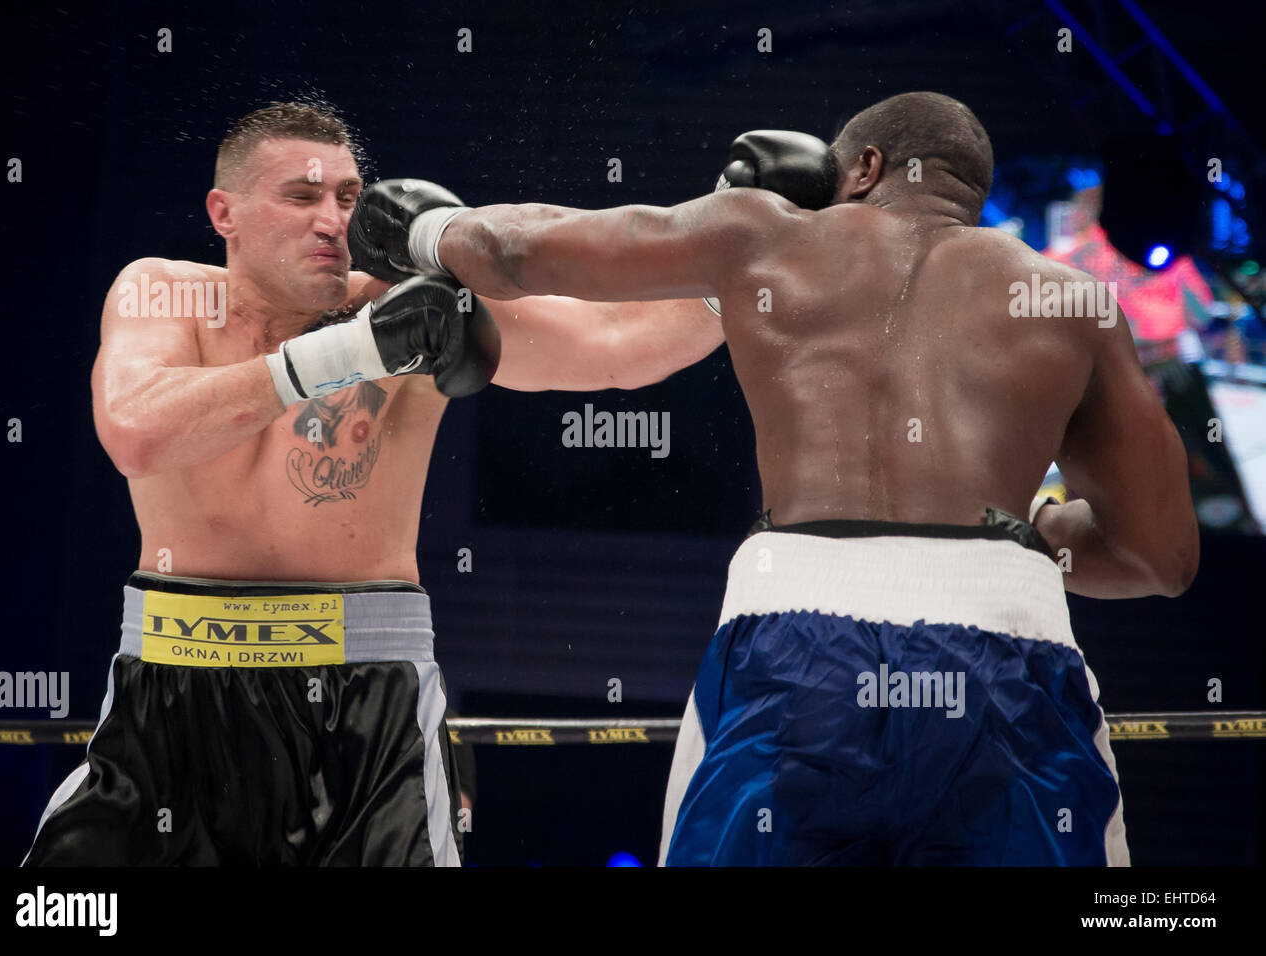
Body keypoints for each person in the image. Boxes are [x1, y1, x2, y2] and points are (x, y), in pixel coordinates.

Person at [354, 91, 1201, 865]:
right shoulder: (1073, 302)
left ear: (863, 168)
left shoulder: (760, 232)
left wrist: (425, 231)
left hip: (795, 643)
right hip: (1010, 649)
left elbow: (510, 250)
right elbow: (1162, 558)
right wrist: (1043, 533)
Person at [23, 101, 720, 866]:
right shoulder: (167, 293)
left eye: (347, 198)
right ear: (224, 211)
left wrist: (749, 252)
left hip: (368, 709)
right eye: (302, 196)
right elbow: (135, 430)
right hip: (169, 696)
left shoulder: (406, 307)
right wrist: (350, 353)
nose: (332, 220)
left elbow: (618, 348)